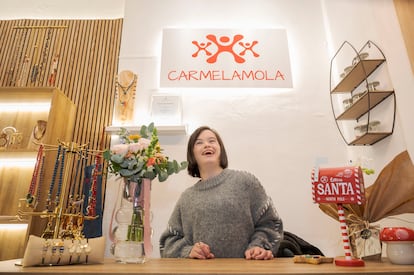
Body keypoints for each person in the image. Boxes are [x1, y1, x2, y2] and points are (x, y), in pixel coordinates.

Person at [159, 126, 283, 260]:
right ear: (192, 154)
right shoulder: (186, 198)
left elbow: (271, 223)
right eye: (199, 142)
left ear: (220, 149)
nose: (206, 145)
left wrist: (259, 246)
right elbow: (167, 244)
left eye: (212, 141)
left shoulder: (245, 182)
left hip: (247, 271)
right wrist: (188, 251)